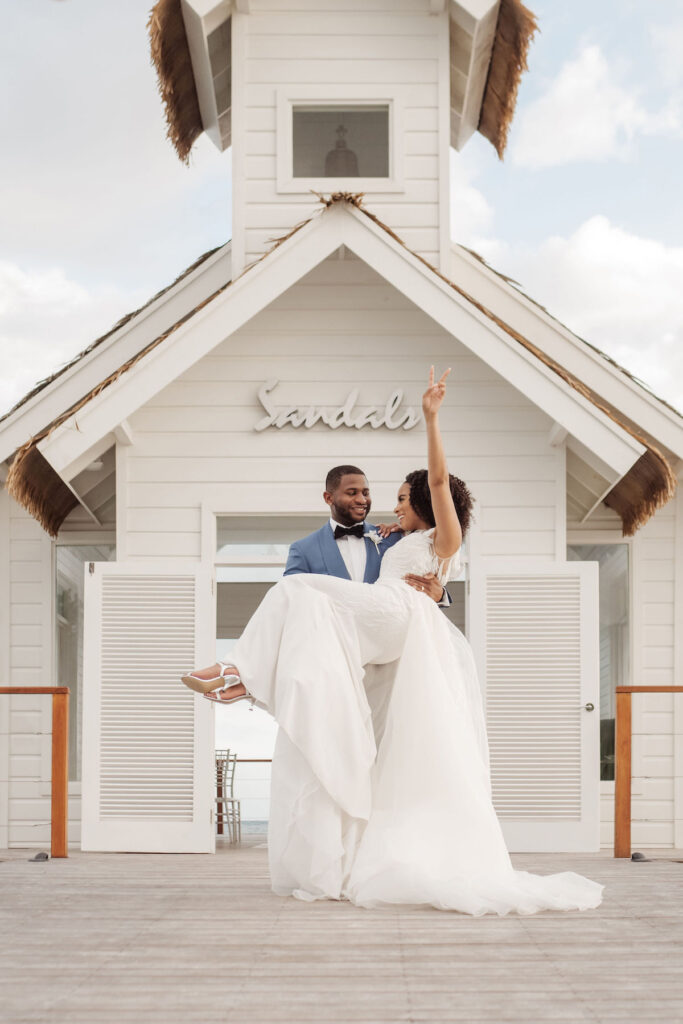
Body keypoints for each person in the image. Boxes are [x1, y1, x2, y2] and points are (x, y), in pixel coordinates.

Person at [182, 368, 603, 915]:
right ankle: (254, 686)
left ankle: (239, 675)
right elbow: (414, 574)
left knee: (298, 590)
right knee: (302, 600)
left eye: (402, 499)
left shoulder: (441, 536)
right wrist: (417, 570)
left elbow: (436, 493)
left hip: (394, 618)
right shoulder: (393, 539)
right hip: (374, 633)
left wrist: (431, 419)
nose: (392, 506)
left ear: (428, 505)